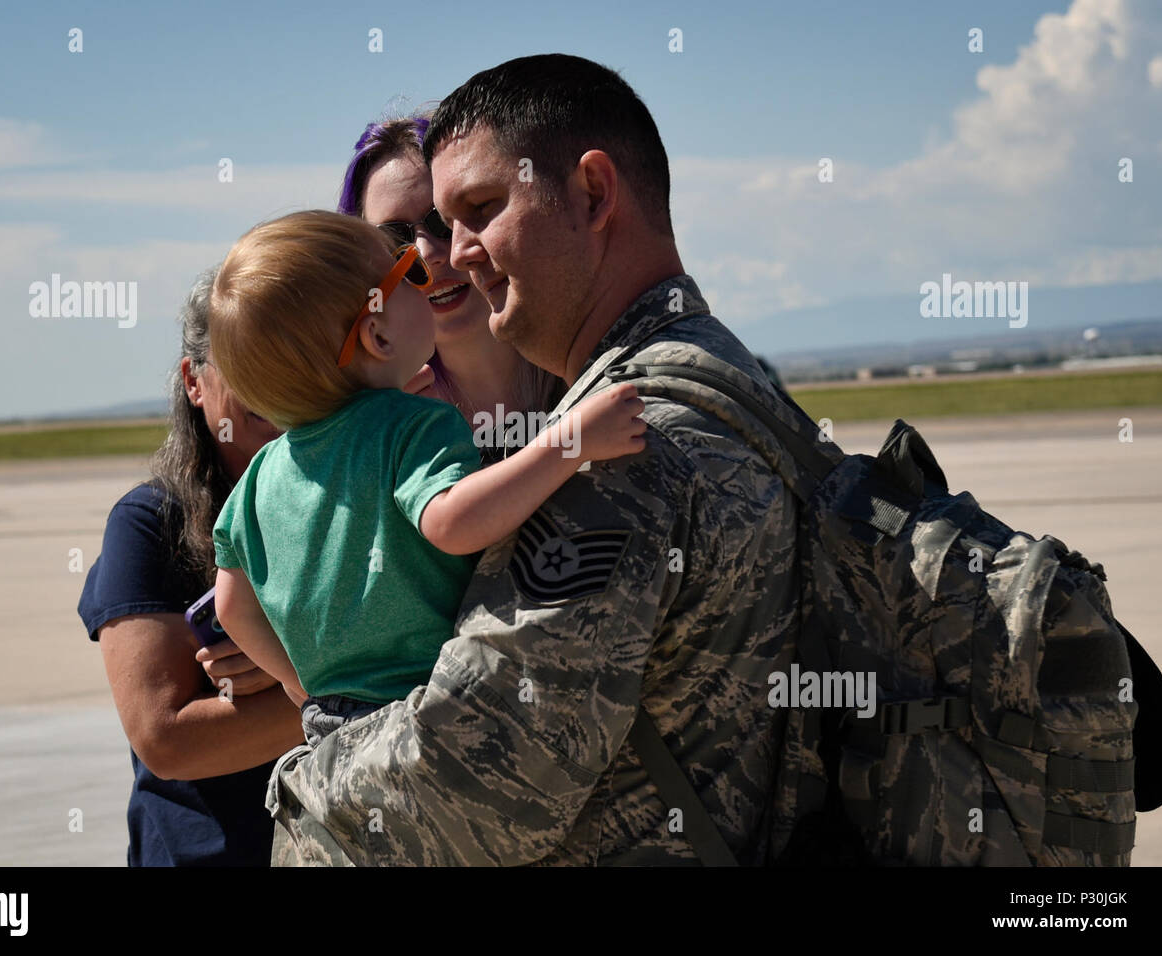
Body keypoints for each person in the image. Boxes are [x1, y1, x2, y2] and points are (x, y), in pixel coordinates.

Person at [267, 53, 806, 866]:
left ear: (592, 194)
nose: (452, 254)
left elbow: (476, 781)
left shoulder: (623, 443)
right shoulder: (708, 377)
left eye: (477, 212)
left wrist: (299, 802)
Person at [203, 210, 647, 735]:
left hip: (331, 727)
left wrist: (298, 681)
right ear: (379, 337)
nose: (428, 275)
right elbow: (453, 522)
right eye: (408, 272)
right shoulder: (416, 423)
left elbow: (232, 606)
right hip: (433, 711)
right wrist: (571, 441)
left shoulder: (259, 475)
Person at [77, 269, 304, 866]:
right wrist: (343, 693)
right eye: (242, 356)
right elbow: (166, 740)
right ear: (193, 382)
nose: (266, 375)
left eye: (285, 353)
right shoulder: (150, 522)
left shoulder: (346, 501)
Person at [338, 113, 563, 458]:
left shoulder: (592, 364)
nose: (427, 254)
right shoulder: (378, 427)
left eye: (443, 221)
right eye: (395, 238)